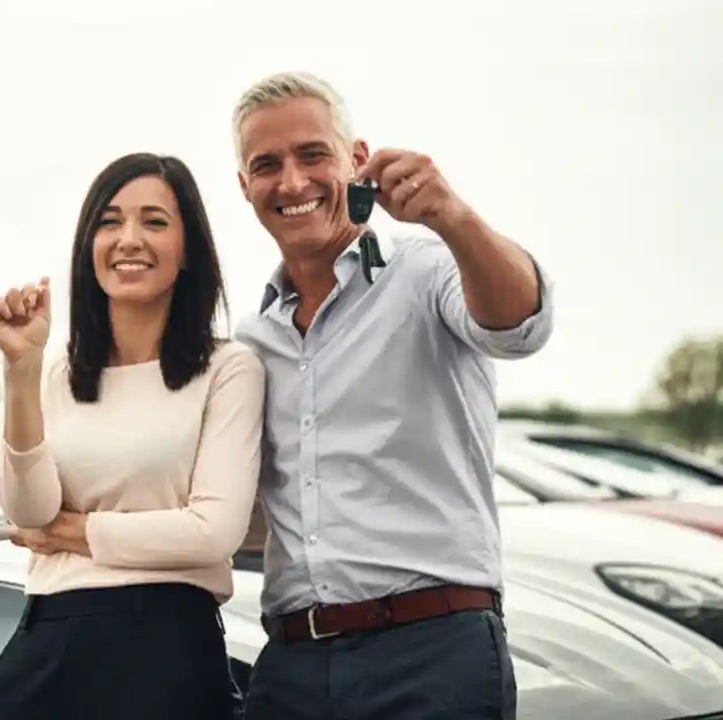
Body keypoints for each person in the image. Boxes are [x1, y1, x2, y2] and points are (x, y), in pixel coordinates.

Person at [231, 71, 554, 720]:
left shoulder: (427, 270)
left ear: (356, 162)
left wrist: (451, 216)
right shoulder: (251, 340)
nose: (291, 182)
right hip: (291, 666)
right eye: (266, 165)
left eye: (312, 155)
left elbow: (521, 326)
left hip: (431, 656)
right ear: (245, 187)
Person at [0, 152, 265, 720]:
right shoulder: (56, 369)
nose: (128, 238)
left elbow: (213, 532)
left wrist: (76, 530)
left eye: (154, 222)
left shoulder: (228, 369)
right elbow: (29, 508)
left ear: (189, 250)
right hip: (46, 647)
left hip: (165, 651)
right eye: (109, 222)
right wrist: (20, 367)